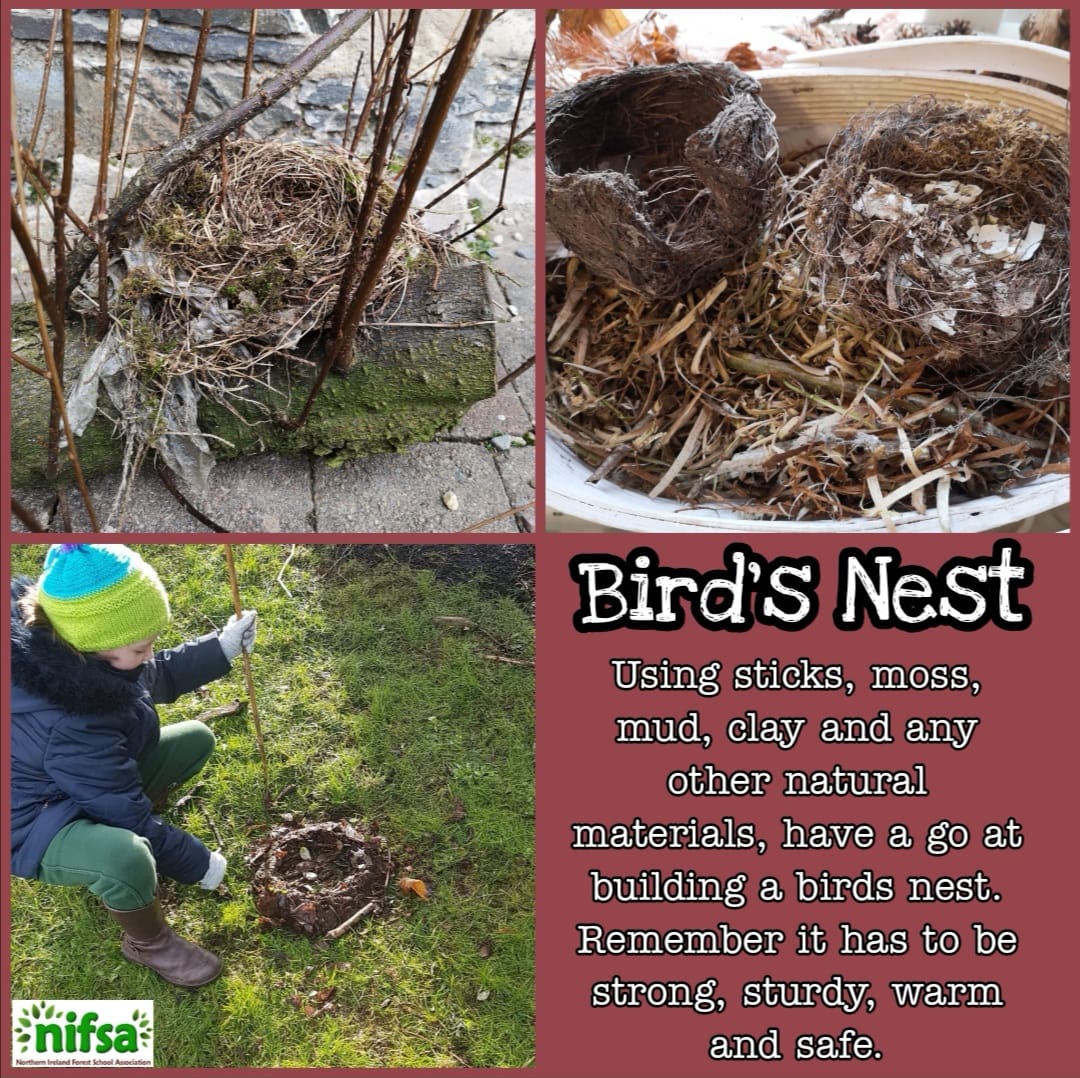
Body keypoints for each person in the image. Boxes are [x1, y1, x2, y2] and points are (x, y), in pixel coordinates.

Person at [10, 544, 257, 988]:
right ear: (93, 647)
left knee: (195, 739)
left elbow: (153, 673)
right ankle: (149, 942)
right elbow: (125, 814)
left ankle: (123, 837)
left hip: (78, 782)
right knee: (124, 855)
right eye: (142, 647)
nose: (150, 653)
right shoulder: (71, 719)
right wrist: (197, 862)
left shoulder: (81, 658)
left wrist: (220, 649)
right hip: (33, 822)